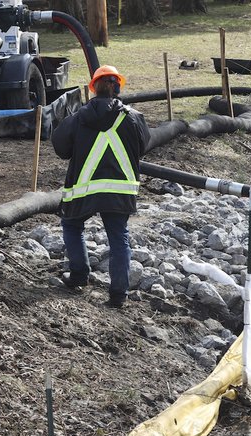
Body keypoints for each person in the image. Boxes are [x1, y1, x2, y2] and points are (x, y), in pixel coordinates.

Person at [51, 65, 151, 308]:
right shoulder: (133, 118)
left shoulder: (77, 118)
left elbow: (60, 149)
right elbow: (143, 146)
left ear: (93, 88)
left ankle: (78, 277)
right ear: (117, 87)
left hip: (83, 191)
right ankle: (118, 295)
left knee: (72, 226)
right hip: (120, 191)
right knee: (118, 238)